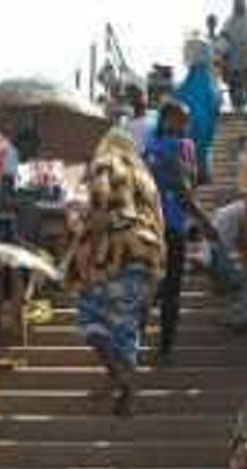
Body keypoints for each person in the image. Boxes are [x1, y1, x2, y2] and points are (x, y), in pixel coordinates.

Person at [63, 133, 166, 417]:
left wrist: (90, 254)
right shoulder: (146, 178)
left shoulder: (106, 164)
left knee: (90, 319)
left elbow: (99, 209)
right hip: (146, 253)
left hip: (113, 253)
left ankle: (124, 383)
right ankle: (121, 387)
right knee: (125, 328)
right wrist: (157, 269)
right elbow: (159, 222)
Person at [142, 100, 216, 362]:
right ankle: (165, 349)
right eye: (182, 119)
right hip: (172, 226)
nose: (186, 124)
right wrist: (205, 222)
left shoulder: (150, 148)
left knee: (151, 283)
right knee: (172, 289)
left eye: (186, 119)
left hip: (148, 225)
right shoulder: (180, 147)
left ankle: (135, 336)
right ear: (167, 120)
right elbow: (183, 192)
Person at [174, 35, 221, 184]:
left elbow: (180, 97)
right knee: (203, 149)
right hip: (204, 122)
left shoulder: (193, 79)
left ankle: (195, 175)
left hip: (191, 122)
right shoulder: (208, 79)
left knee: (192, 150)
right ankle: (203, 174)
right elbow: (215, 102)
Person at [217, 0, 247, 113]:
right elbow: (223, 40)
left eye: (241, 2)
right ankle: (238, 112)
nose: (240, 5)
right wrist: (220, 54)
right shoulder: (229, 22)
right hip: (235, 66)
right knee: (237, 95)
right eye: (237, 3)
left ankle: (246, 112)